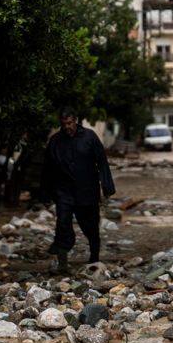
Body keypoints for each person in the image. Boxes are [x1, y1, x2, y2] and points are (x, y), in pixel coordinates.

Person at [43, 107, 115, 273]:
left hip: (87, 190)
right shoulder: (55, 141)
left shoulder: (89, 137)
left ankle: (94, 258)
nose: (67, 127)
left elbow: (102, 161)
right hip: (64, 192)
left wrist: (107, 187)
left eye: (69, 123)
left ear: (75, 120)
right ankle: (62, 263)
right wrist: (46, 193)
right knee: (62, 223)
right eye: (63, 124)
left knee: (90, 226)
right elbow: (47, 168)